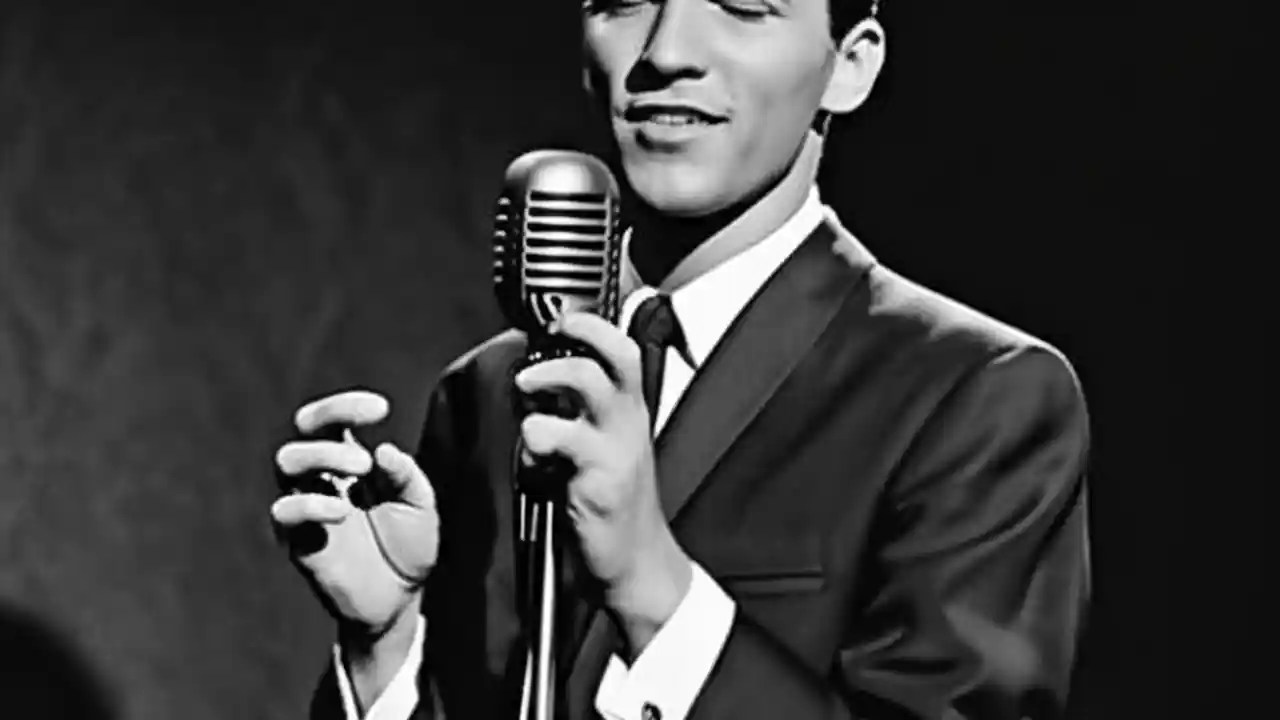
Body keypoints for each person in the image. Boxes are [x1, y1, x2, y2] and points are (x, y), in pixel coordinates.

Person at [271, 0, 1092, 718]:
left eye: (740, 4)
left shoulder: (973, 397)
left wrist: (653, 584)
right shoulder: (489, 393)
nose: (665, 52)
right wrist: (385, 648)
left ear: (850, 64)